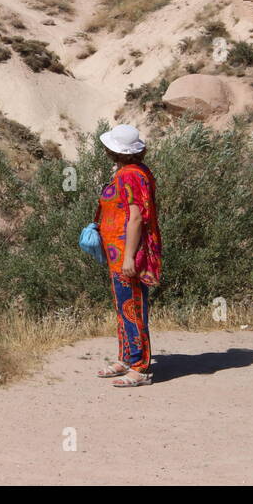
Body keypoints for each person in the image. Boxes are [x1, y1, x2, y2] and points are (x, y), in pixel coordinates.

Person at [94, 124, 162, 387]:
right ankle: (126, 358)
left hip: (127, 252)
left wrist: (129, 257)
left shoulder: (130, 176)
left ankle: (140, 367)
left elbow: (135, 218)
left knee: (132, 307)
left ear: (115, 151)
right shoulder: (135, 171)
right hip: (120, 251)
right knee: (124, 306)